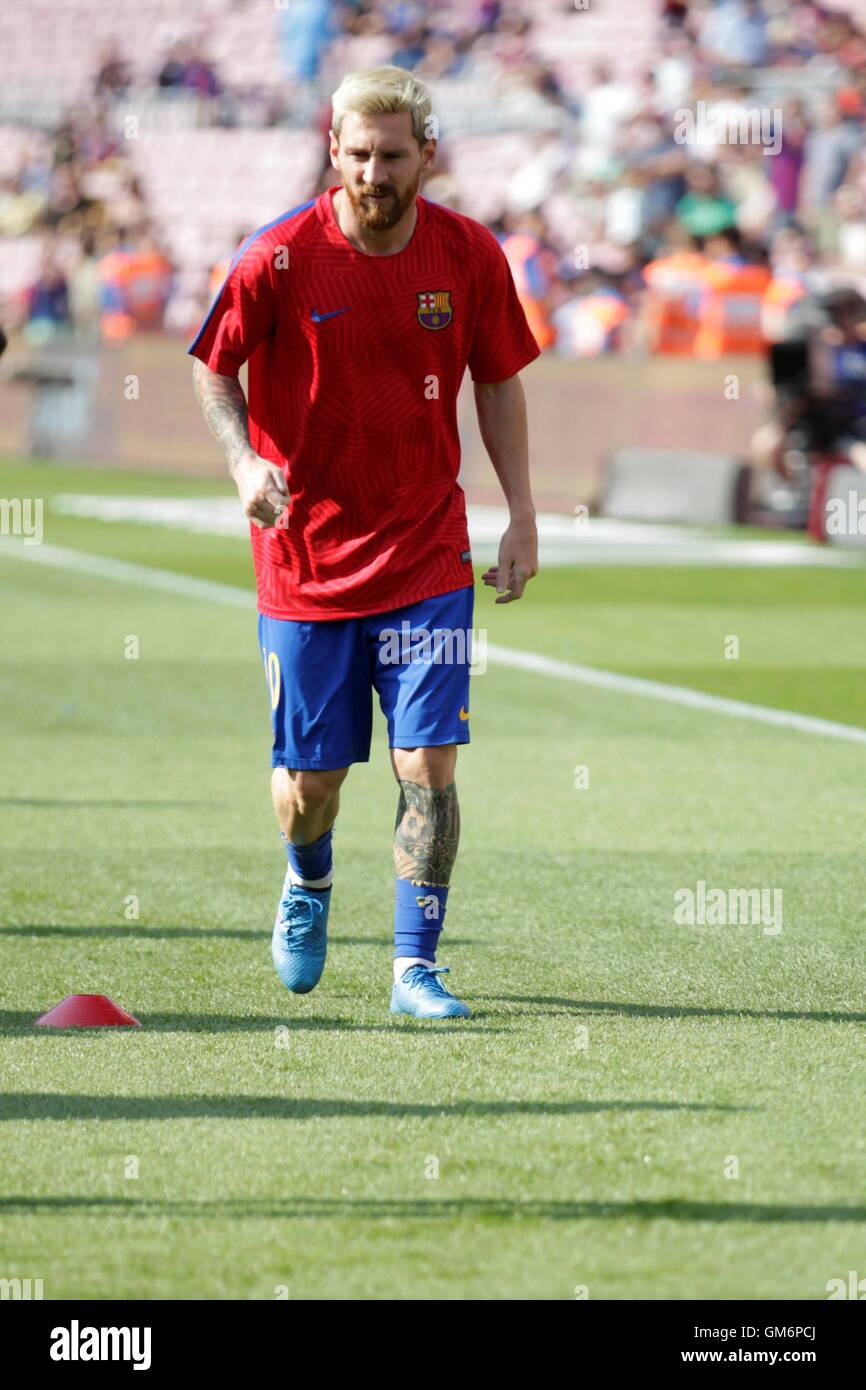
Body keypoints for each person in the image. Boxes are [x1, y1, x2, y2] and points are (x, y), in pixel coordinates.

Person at [189, 65, 540, 1019]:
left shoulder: (469, 255)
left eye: (392, 155)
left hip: (428, 552)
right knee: (311, 785)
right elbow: (214, 369)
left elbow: (499, 379)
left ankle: (414, 967)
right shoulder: (278, 257)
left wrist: (521, 510)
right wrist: (242, 465)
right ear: (331, 152)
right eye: (357, 156)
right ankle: (307, 882)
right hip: (307, 559)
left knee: (428, 764)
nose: (374, 174)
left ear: (427, 151)